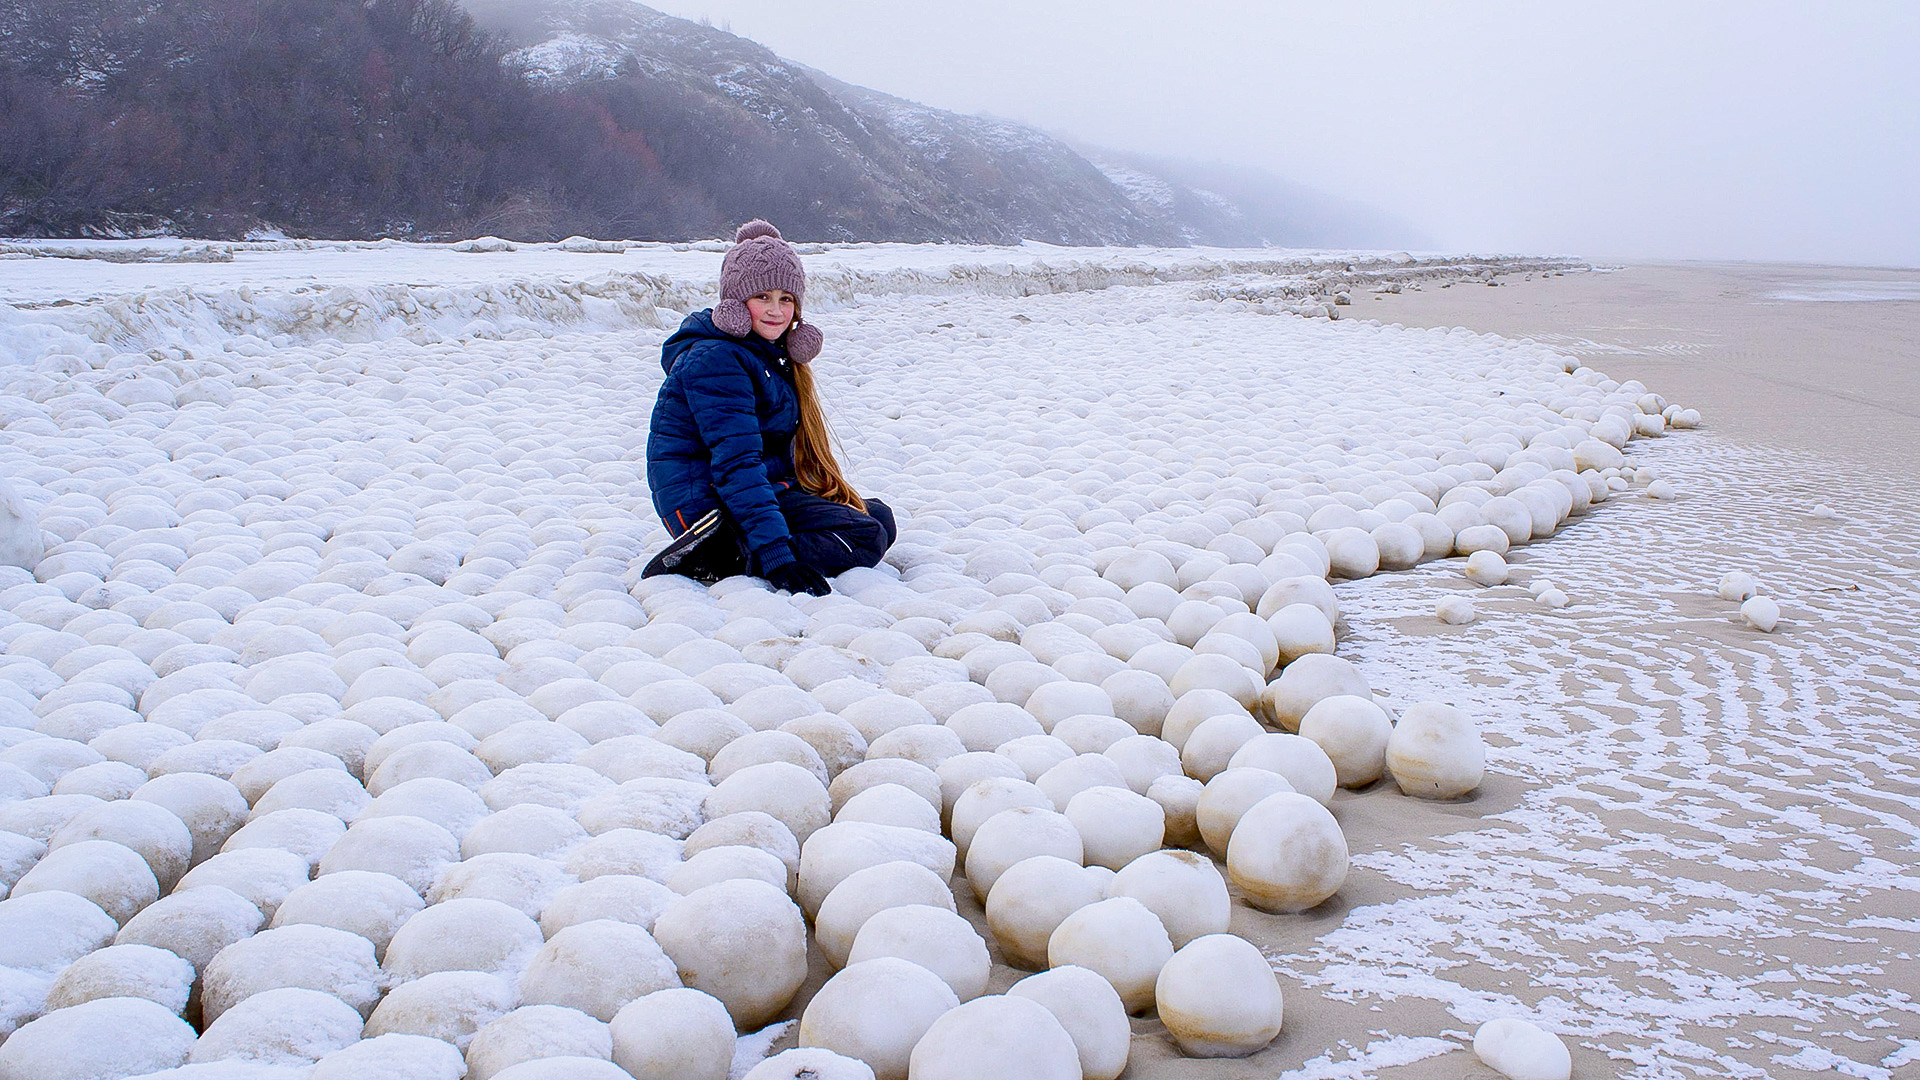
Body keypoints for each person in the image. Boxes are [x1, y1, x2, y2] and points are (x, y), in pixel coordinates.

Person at [642, 220, 896, 596]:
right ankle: (727, 556)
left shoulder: (764, 354)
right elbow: (736, 463)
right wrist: (776, 555)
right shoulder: (719, 361)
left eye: (786, 298)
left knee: (879, 517)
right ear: (734, 303)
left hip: (749, 490)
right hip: (708, 509)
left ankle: (758, 539)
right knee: (865, 536)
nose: (776, 311)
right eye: (762, 297)